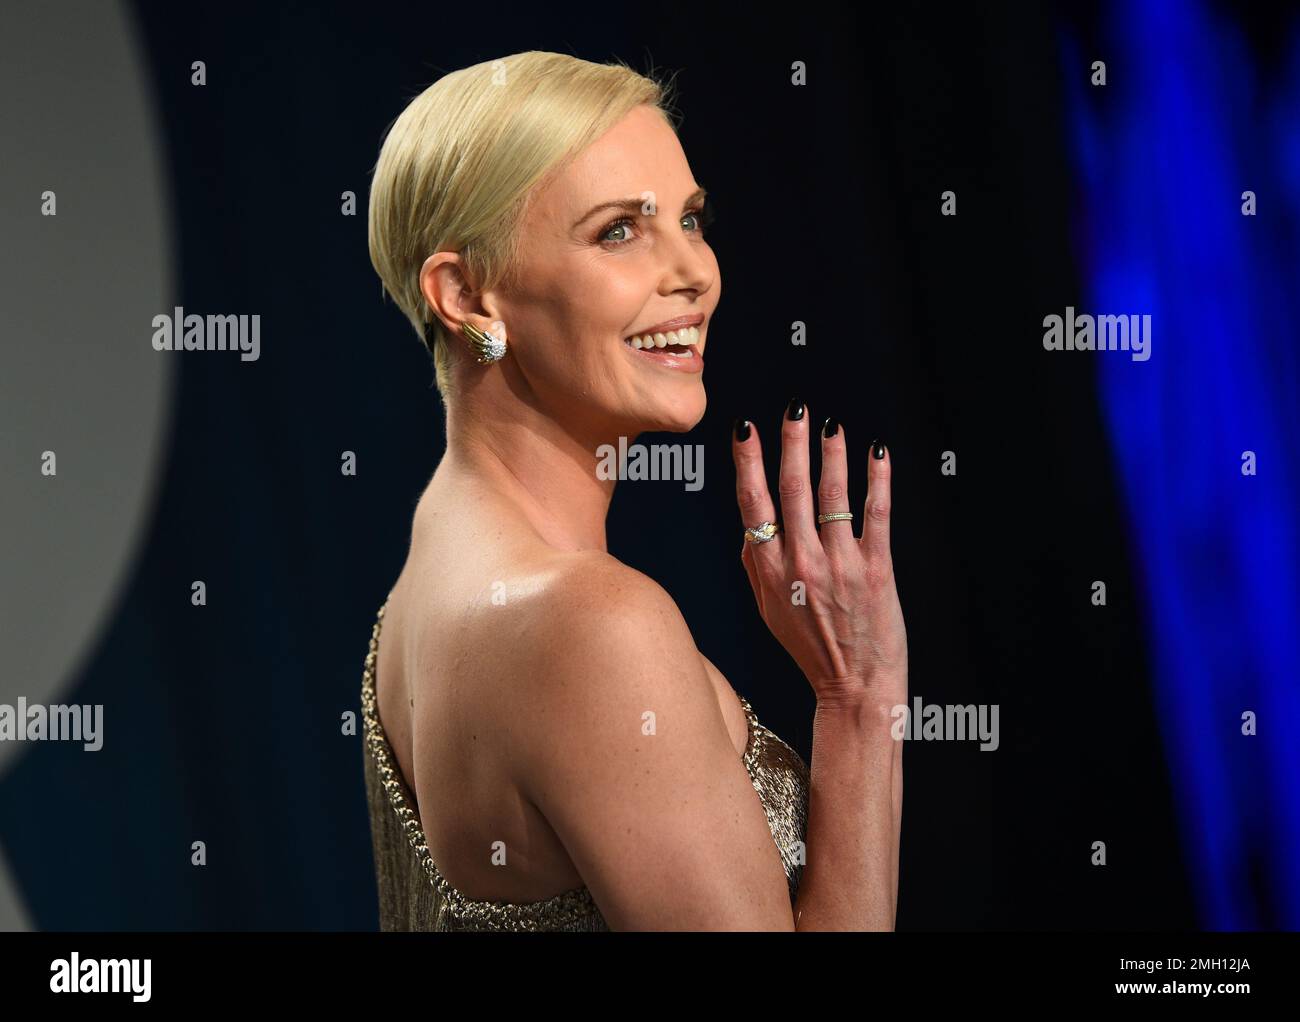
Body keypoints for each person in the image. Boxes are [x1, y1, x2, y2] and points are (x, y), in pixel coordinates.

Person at [361, 50, 906, 931]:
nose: (694, 272)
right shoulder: (591, 626)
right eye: (619, 230)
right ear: (466, 295)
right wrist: (861, 696)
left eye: (690, 220)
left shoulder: (422, 597)